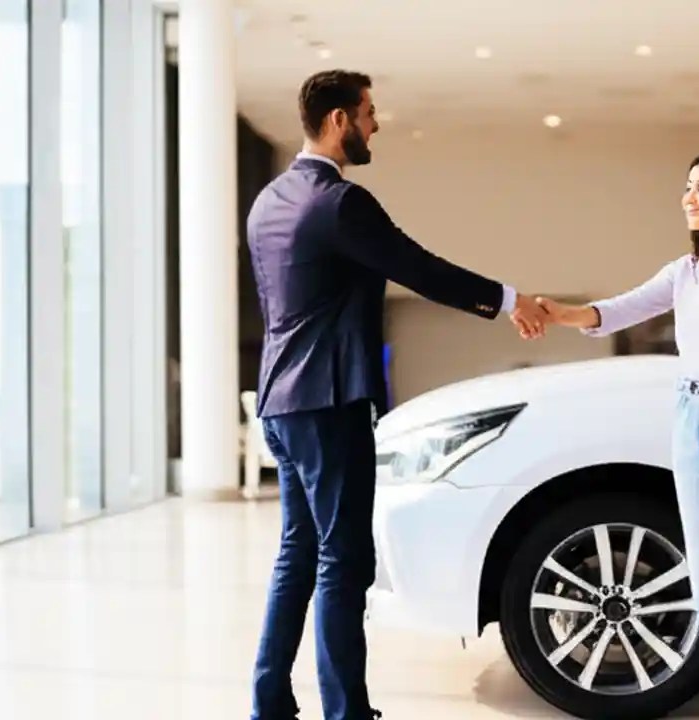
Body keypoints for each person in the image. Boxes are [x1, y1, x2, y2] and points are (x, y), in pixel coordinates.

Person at [244, 69, 548, 720]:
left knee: (299, 554)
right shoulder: (339, 203)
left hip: (280, 399)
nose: (375, 124)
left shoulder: (268, 200)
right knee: (342, 561)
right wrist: (508, 301)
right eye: (368, 112)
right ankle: (346, 712)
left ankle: (269, 701)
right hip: (328, 402)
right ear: (337, 121)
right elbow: (418, 267)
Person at [538, 151, 699, 720]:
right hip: (691, 418)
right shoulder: (684, 272)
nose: (688, 197)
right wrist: (560, 313)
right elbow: (618, 310)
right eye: (687, 187)